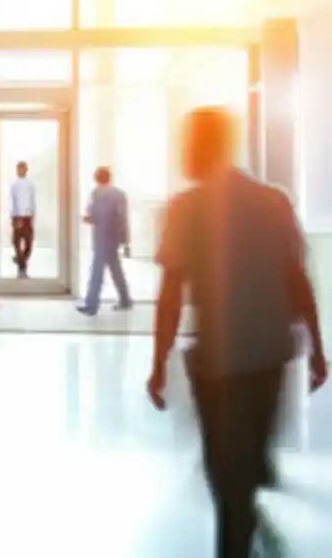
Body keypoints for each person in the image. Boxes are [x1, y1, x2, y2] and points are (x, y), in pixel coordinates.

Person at [147, 107, 327, 558]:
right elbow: (297, 278)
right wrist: (318, 347)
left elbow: (171, 295)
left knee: (227, 476)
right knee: (242, 467)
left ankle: (237, 525)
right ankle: (246, 492)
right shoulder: (273, 201)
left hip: (217, 360)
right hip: (269, 351)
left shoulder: (187, 208)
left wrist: (157, 364)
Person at [78, 167, 133, 315]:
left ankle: (91, 305)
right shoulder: (119, 195)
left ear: (96, 178)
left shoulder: (96, 194)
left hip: (101, 238)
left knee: (97, 272)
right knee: (115, 270)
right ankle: (125, 300)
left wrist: (86, 219)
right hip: (113, 237)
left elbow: (92, 216)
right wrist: (126, 241)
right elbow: (123, 219)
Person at [9, 161, 36, 278]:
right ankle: (22, 266)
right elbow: (12, 201)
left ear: (26, 170)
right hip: (17, 215)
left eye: (22, 169)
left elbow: (33, 200)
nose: (20, 171)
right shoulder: (14, 184)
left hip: (28, 216)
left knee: (29, 242)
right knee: (16, 241)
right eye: (18, 169)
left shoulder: (30, 184)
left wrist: (33, 214)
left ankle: (21, 259)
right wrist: (13, 216)